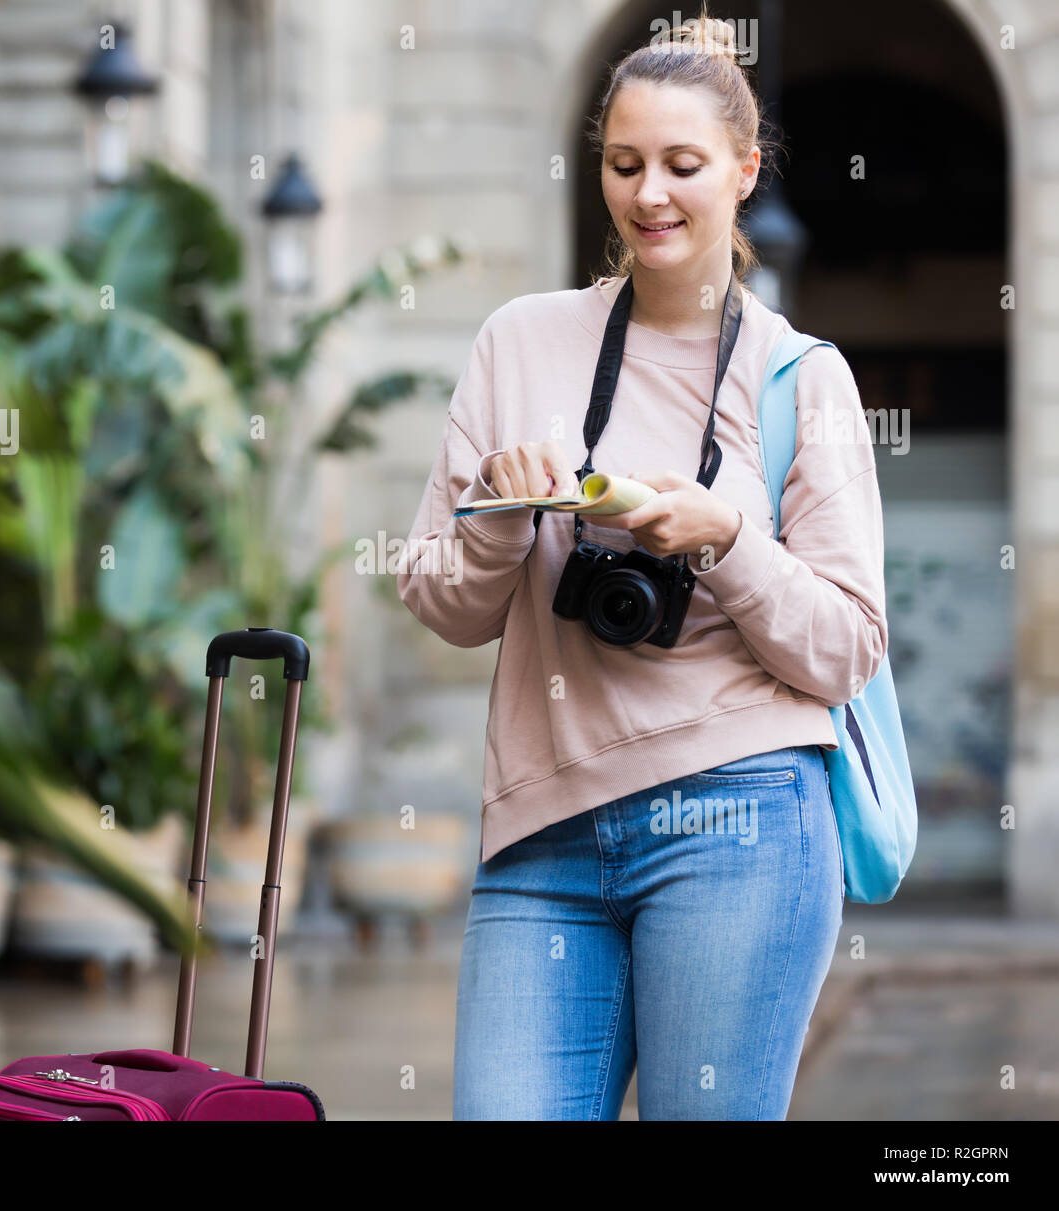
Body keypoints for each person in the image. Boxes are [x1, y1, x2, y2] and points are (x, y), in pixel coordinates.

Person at [395, 11, 888, 1121]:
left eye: (681, 165)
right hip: (541, 831)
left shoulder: (802, 375)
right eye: (624, 165)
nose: (649, 194)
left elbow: (847, 646)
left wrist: (722, 541)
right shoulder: (517, 341)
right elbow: (441, 601)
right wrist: (498, 520)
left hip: (743, 824)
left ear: (744, 170)